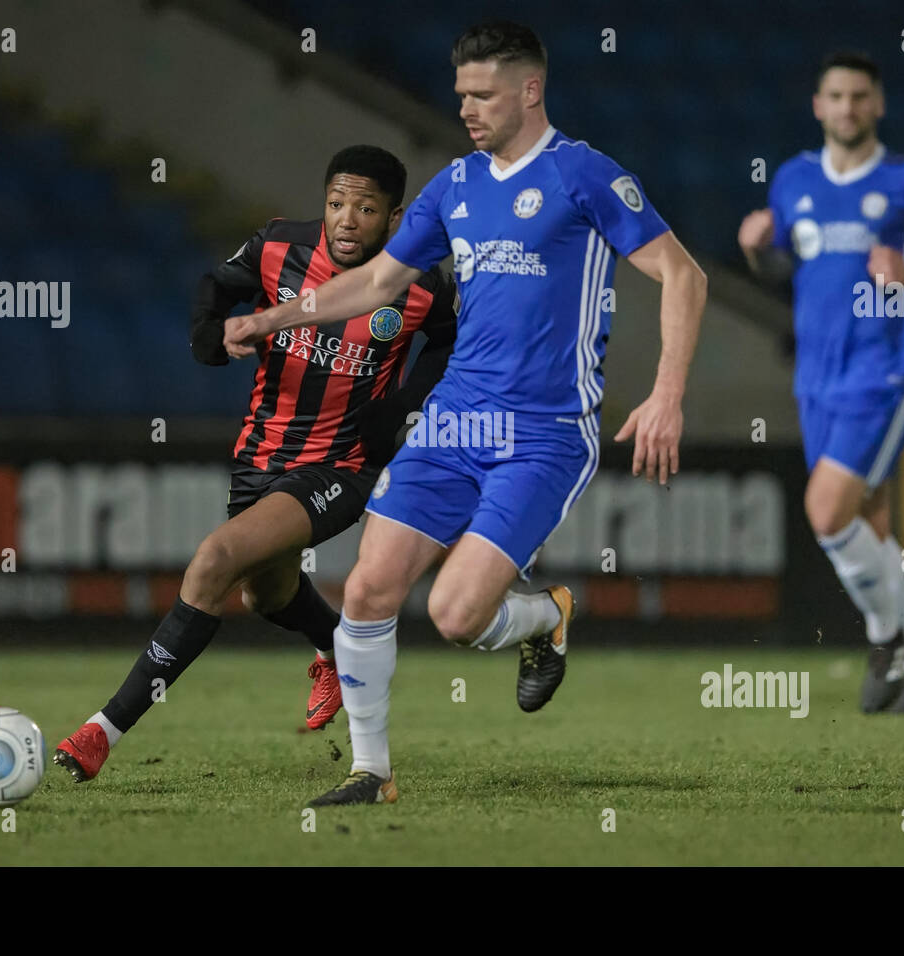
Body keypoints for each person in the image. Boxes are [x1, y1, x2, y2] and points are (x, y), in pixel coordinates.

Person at [226, 21, 707, 805]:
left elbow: (682, 277)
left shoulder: (584, 176)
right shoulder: (453, 185)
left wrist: (667, 393)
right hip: (451, 424)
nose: (467, 110)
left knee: (455, 614)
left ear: (529, 90)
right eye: (460, 96)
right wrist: (271, 318)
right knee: (367, 592)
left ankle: (547, 617)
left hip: (544, 436)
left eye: (482, 95)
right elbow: (379, 282)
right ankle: (371, 774)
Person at [53, 145, 457, 782]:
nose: (347, 219)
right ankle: (333, 648)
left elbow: (448, 339)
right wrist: (210, 339)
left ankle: (100, 732)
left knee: (214, 560)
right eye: (336, 203)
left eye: (365, 208)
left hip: (339, 468)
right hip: (258, 458)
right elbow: (216, 288)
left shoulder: (419, 282)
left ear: (393, 217)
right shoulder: (278, 248)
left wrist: (405, 406)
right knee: (265, 592)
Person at [738, 51, 904, 713]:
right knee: (869, 522)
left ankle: (887, 639)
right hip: (817, 378)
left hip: (884, 373)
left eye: (859, 97)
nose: (847, 108)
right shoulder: (792, 179)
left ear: (877, 105)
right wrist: (758, 248)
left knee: (826, 511)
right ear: (819, 106)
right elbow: (787, 270)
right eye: (836, 96)